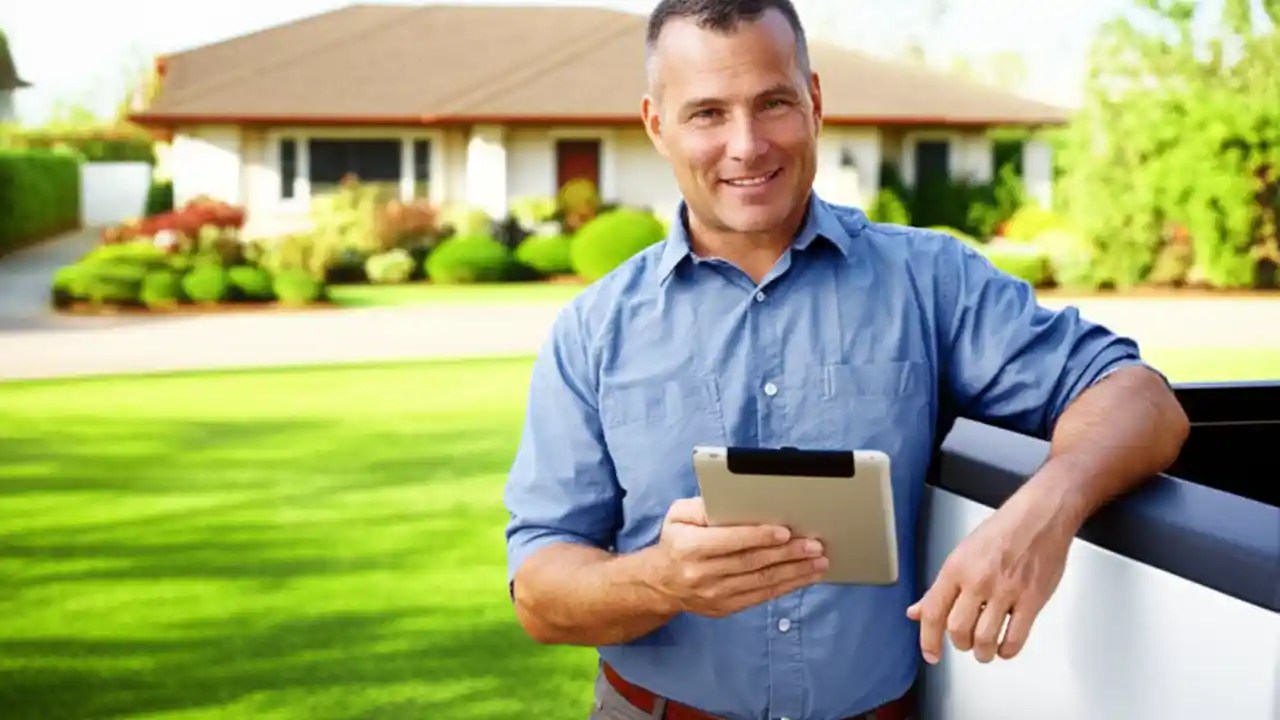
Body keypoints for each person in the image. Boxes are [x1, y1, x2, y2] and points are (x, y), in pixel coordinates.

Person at [502, 1, 1190, 718]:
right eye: (707, 113)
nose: (746, 145)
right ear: (656, 125)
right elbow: (539, 591)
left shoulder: (932, 282)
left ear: (815, 102)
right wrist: (663, 579)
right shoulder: (592, 330)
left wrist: (1041, 516)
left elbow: (1141, 399)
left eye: (773, 103)